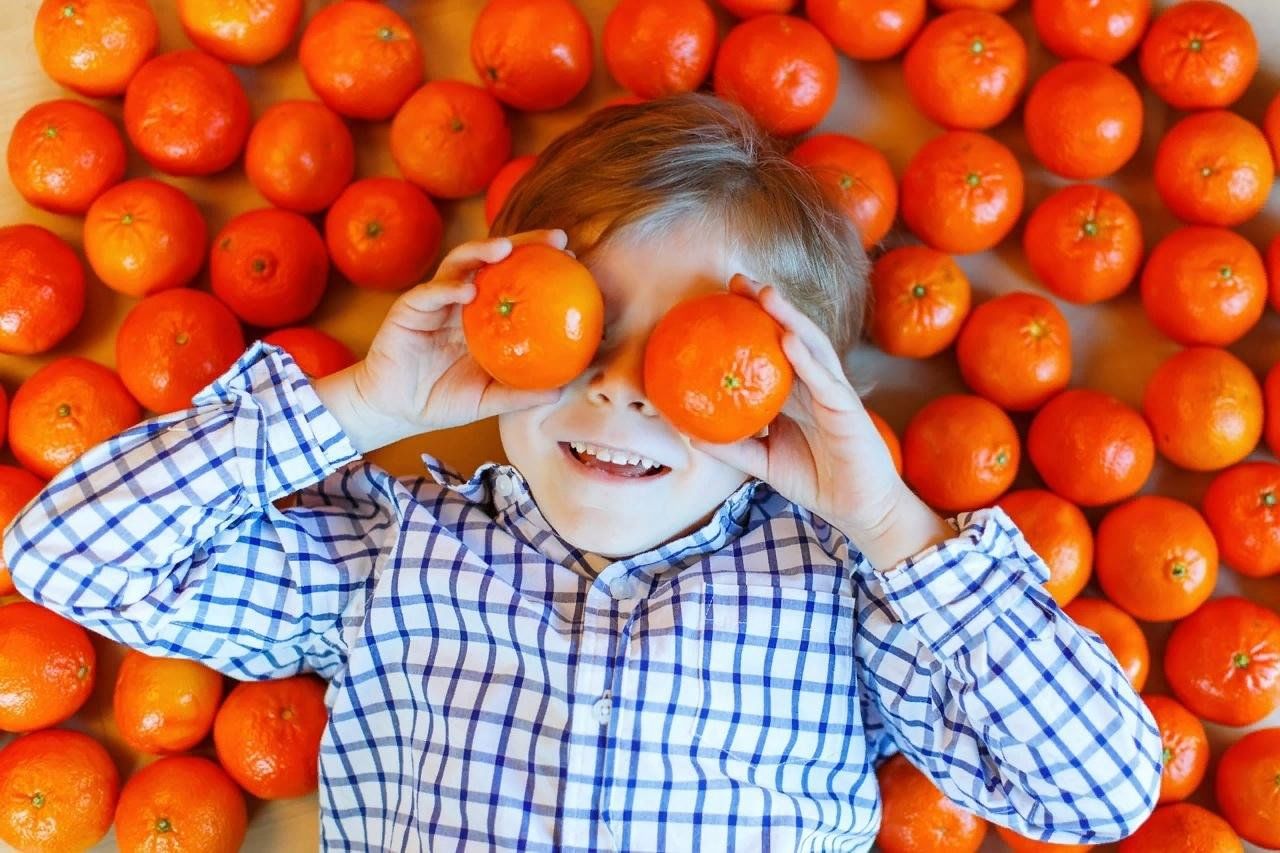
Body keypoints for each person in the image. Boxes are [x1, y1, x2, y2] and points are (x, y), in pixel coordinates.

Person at [5, 94, 1160, 851]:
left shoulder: (850, 596)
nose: (618, 387)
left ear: (792, 390)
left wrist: (891, 523)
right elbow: (69, 559)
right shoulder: (393, 551)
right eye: (575, 328)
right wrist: (369, 401)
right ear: (496, 321)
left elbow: (1095, 792)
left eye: (689, 356)